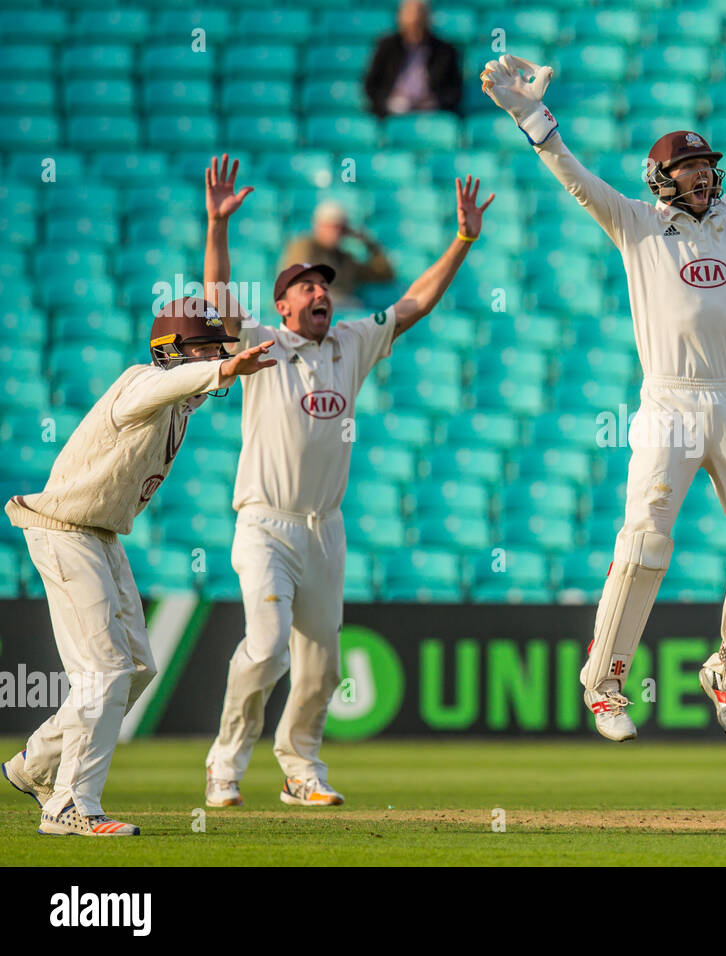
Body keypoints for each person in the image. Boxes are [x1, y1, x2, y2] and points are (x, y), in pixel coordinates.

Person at [481, 55, 726, 741]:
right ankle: (604, 685)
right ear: (662, 178)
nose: (702, 176)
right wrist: (531, 116)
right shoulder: (635, 223)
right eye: (689, 168)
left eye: (707, 167)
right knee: (645, 544)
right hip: (669, 403)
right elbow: (575, 180)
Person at [201, 154, 493, 808]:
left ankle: (300, 767)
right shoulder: (260, 345)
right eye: (306, 287)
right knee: (268, 646)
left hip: (324, 531)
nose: (320, 293)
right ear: (282, 305)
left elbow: (414, 301)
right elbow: (215, 299)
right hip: (264, 522)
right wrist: (217, 227)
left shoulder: (352, 342)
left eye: (325, 287)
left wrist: (464, 240)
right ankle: (225, 764)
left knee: (323, 666)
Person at [0, 292, 274, 835]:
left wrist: (224, 353)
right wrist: (224, 364)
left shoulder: (179, 405)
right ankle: (68, 806)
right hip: (65, 530)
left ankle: (34, 766)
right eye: (203, 350)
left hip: (100, 536)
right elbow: (175, 380)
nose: (214, 361)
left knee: (137, 670)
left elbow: (194, 380)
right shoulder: (140, 382)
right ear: (170, 351)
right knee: (103, 671)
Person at [280, 201, 395, 309]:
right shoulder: (304, 247)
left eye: (340, 227)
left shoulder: (346, 260)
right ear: (318, 226)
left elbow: (385, 274)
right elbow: (297, 283)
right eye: (330, 226)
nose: (335, 232)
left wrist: (368, 243)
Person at [363, 0, 463, 117]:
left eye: (419, 18)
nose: (414, 22)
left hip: (431, 113)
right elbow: (371, 85)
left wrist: (435, 102)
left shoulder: (445, 51)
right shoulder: (387, 47)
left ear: (427, 18)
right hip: (392, 112)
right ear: (400, 18)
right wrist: (388, 102)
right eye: (410, 16)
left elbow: (454, 91)